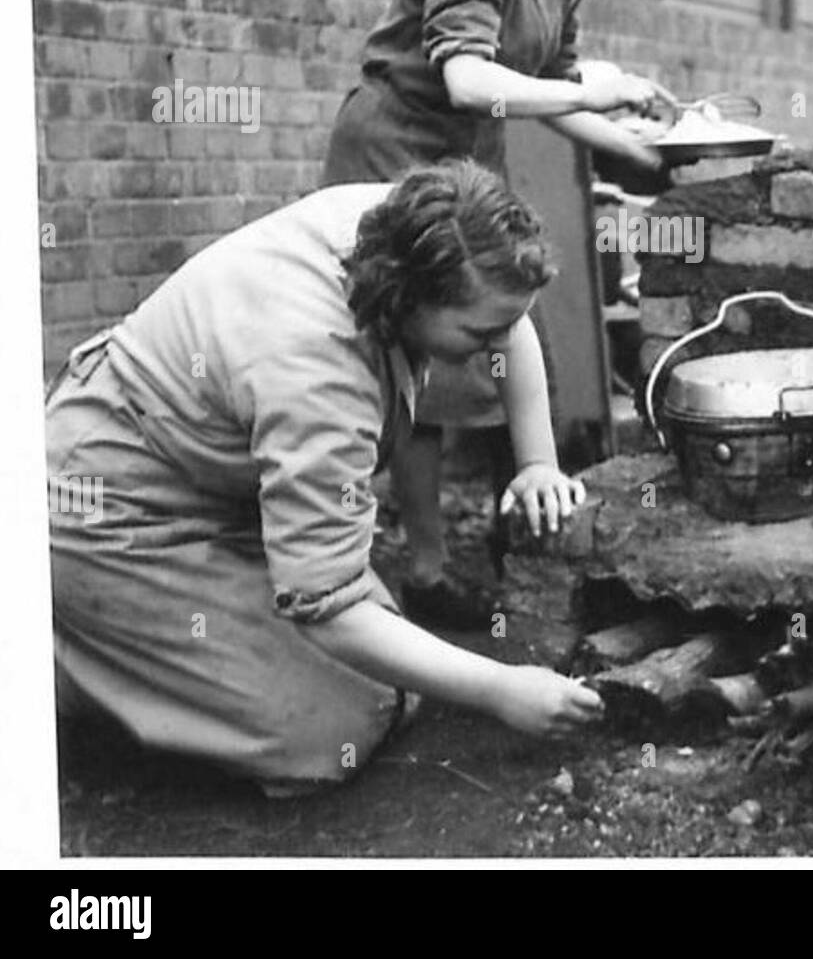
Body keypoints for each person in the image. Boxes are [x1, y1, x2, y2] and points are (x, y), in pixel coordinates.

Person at [46, 161, 605, 796]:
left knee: (394, 678)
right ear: (411, 296)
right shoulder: (317, 369)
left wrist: (537, 463)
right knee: (337, 731)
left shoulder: (422, 228)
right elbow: (327, 605)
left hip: (217, 480)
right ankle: (64, 648)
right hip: (108, 505)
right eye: (480, 333)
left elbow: (507, 318)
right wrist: (500, 689)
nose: (496, 342)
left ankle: (143, 648)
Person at [322, 0, 670, 627]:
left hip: (470, 159)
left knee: (514, 323)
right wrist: (594, 88)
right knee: (420, 360)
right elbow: (468, 79)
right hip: (397, 151)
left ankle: (532, 527)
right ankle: (428, 567)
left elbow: (556, 97)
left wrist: (641, 144)